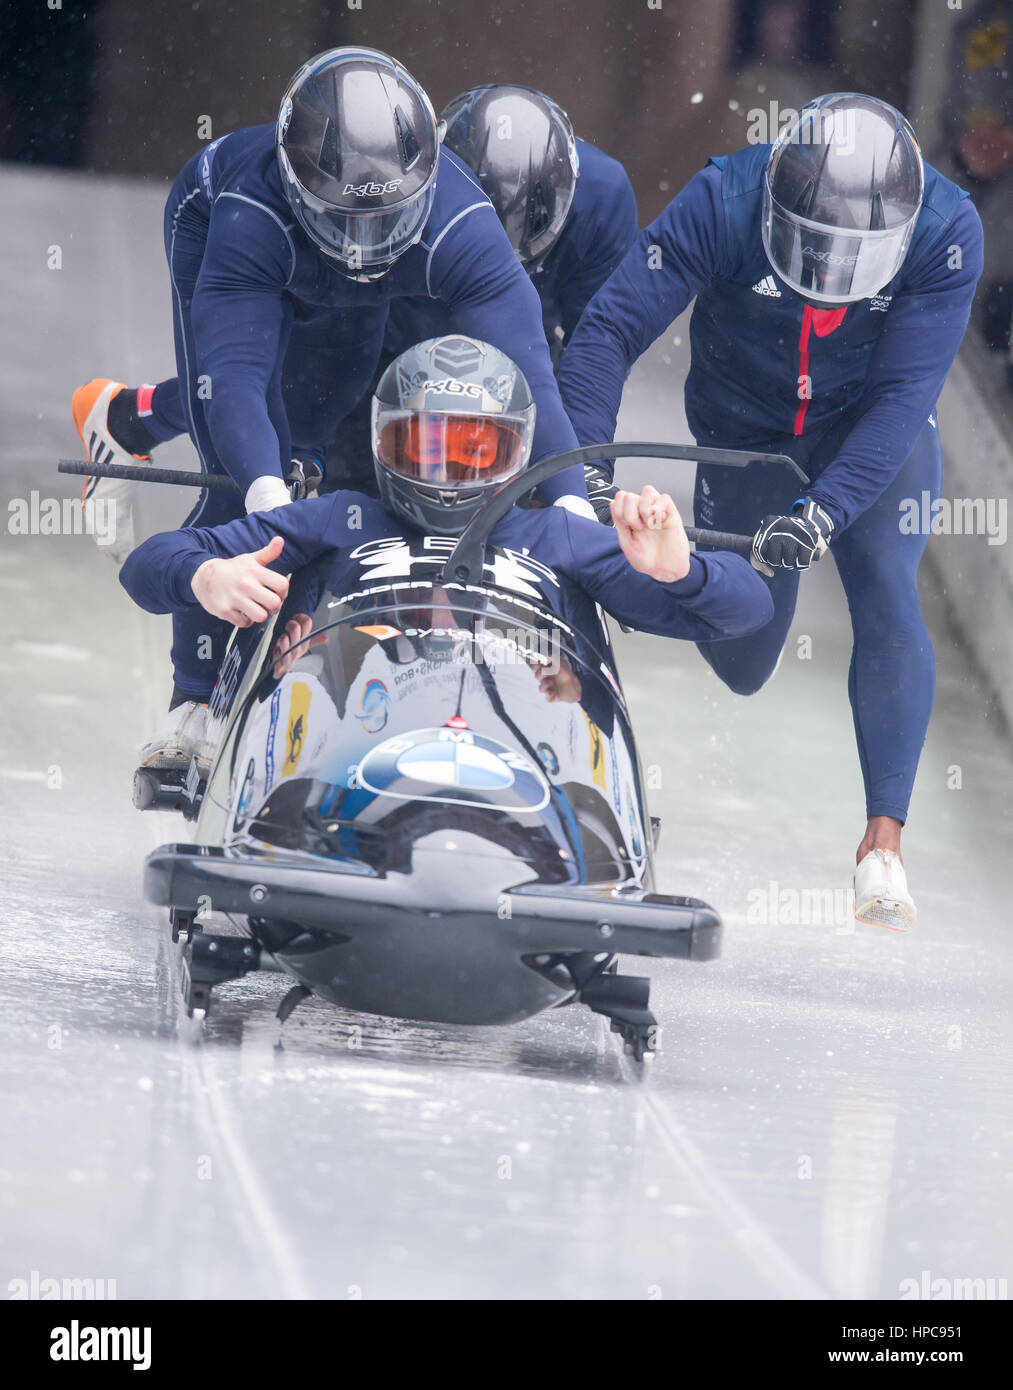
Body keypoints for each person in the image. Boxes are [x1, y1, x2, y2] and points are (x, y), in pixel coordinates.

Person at [70, 47, 590, 772]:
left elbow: (530, 373)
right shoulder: (248, 212)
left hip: (331, 246)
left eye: (382, 224)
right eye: (347, 223)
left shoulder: (458, 224)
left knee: (330, 400)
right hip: (241, 235)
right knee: (245, 468)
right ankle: (190, 709)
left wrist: (575, 505)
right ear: (296, 185)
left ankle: (129, 418)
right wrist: (268, 505)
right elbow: (238, 381)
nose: (362, 250)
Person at [557, 93, 984, 931]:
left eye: (853, 258)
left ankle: (882, 844)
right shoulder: (721, 200)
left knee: (887, 589)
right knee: (745, 659)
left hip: (866, 426)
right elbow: (609, 330)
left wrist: (823, 513)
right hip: (744, 429)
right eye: (812, 248)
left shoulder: (947, 230)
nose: (828, 274)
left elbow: (902, 397)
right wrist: (584, 476)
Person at [119, 336, 773, 768]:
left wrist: (678, 570)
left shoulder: (560, 539)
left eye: (473, 453)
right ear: (384, 448)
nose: (447, 473)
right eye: (426, 449)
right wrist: (204, 574)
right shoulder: (339, 520)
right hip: (347, 749)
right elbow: (150, 563)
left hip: (519, 756)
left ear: (514, 457)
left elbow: (745, 610)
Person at [73, 82, 637, 517]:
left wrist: (579, 479)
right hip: (396, 292)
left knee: (512, 431)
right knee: (301, 429)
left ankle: (134, 417)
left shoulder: (596, 200)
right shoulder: (385, 196)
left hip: (488, 293)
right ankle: (139, 421)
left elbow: (594, 346)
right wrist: (294, 473)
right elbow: (272, 371)